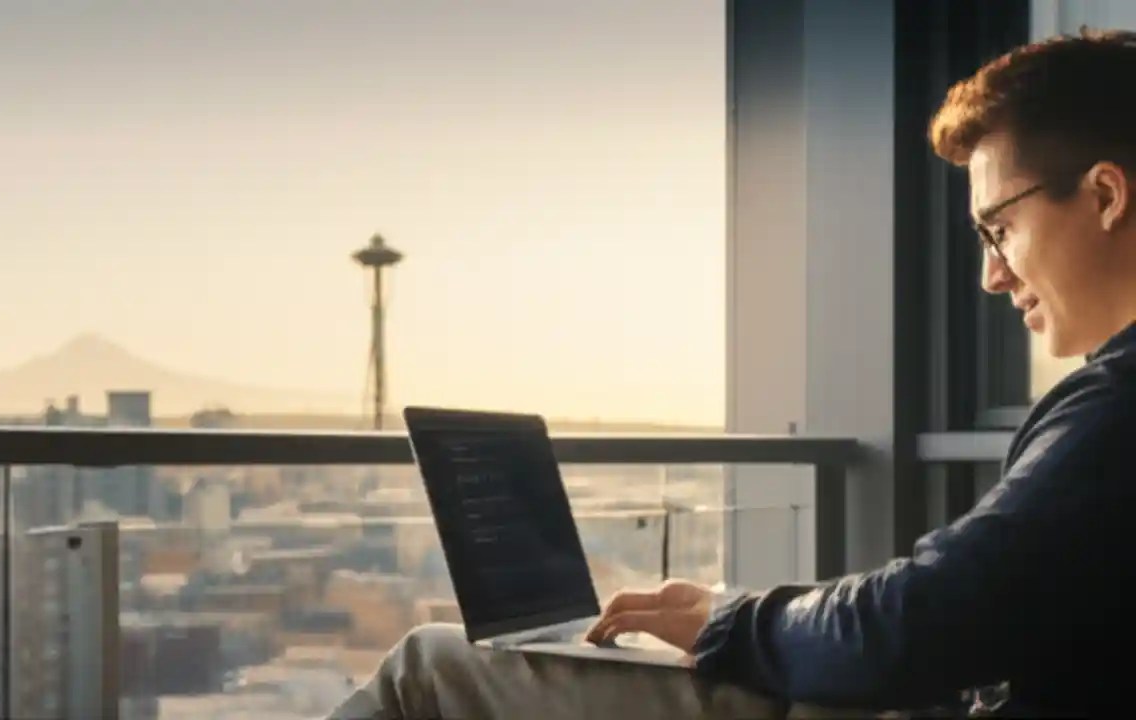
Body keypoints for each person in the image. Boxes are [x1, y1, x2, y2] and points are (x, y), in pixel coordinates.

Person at [328, 29, 1136, 719]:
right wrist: (742, 617)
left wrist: (734, 625)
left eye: (999, 228)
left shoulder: (1115, 411)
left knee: (428, 670)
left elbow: (913, 624)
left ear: (1104, 195)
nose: (992, 274)